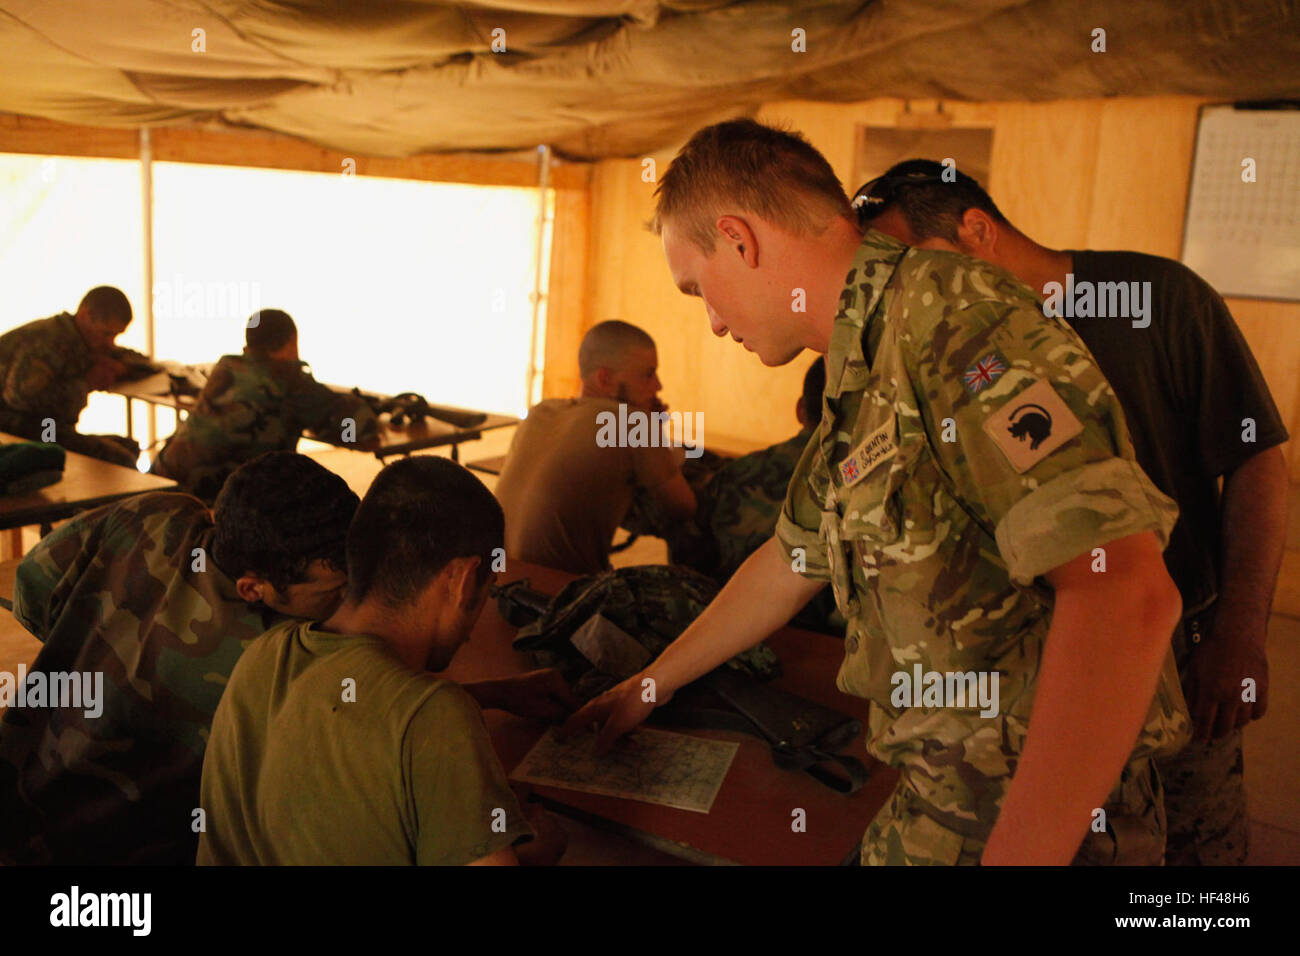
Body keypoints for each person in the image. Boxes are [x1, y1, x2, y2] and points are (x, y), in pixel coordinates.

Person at [566, 119, 1192, 866]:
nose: (712, 320)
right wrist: (650, 685)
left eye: (698, 287)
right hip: (942, 803)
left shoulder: (954, 319)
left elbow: (1123, 595)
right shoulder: (863, 358)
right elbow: (791, 558)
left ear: (739, 239)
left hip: (1041, 822)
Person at [854, 159, 1290, 865]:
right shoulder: (930, 341)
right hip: (1033, 676)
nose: (905, 288)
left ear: (977, 229)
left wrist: (1239, 631)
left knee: (1195, 862)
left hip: (1180, 647)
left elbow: (1256, 461)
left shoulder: (1155, 298)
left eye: (910, 262)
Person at [198, 456, 570, 866]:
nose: (472, 629)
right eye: (487, 591)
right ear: (463, 581)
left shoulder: (265, 654)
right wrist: (539, 849)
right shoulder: (437, 716)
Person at [0, 452, 360, 864]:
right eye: (336, 590)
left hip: (15, 792)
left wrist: (88, 641)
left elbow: (32, 583)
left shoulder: (157, 513)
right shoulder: (277, 653)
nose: (347, 600)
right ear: (252, 589)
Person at [494, 319, 696, 574]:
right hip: (557, 598)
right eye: (648, 374)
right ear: (605, 379)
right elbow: (684, 507)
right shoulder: (631, 423)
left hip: (495, 581)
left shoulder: (539, 412)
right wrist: (653, 430)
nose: (658, 386)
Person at [153, 309, 379, 501]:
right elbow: (357, 425)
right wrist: (361, 408)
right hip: (218, 494)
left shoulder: (226, 367)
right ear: (291, 343)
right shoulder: (289, 379)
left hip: (167, 475)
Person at [0, 286, 148, 467]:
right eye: (106, 334)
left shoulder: (82, 339)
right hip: (23, 430)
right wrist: (85, 384)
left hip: (45, 428)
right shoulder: (49, 342)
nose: (110, 343)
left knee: (129, 447)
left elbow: (138, 360)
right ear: (86, 316)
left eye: (115, 335)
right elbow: (20, 398)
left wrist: (120, 367)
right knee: (119, 459)